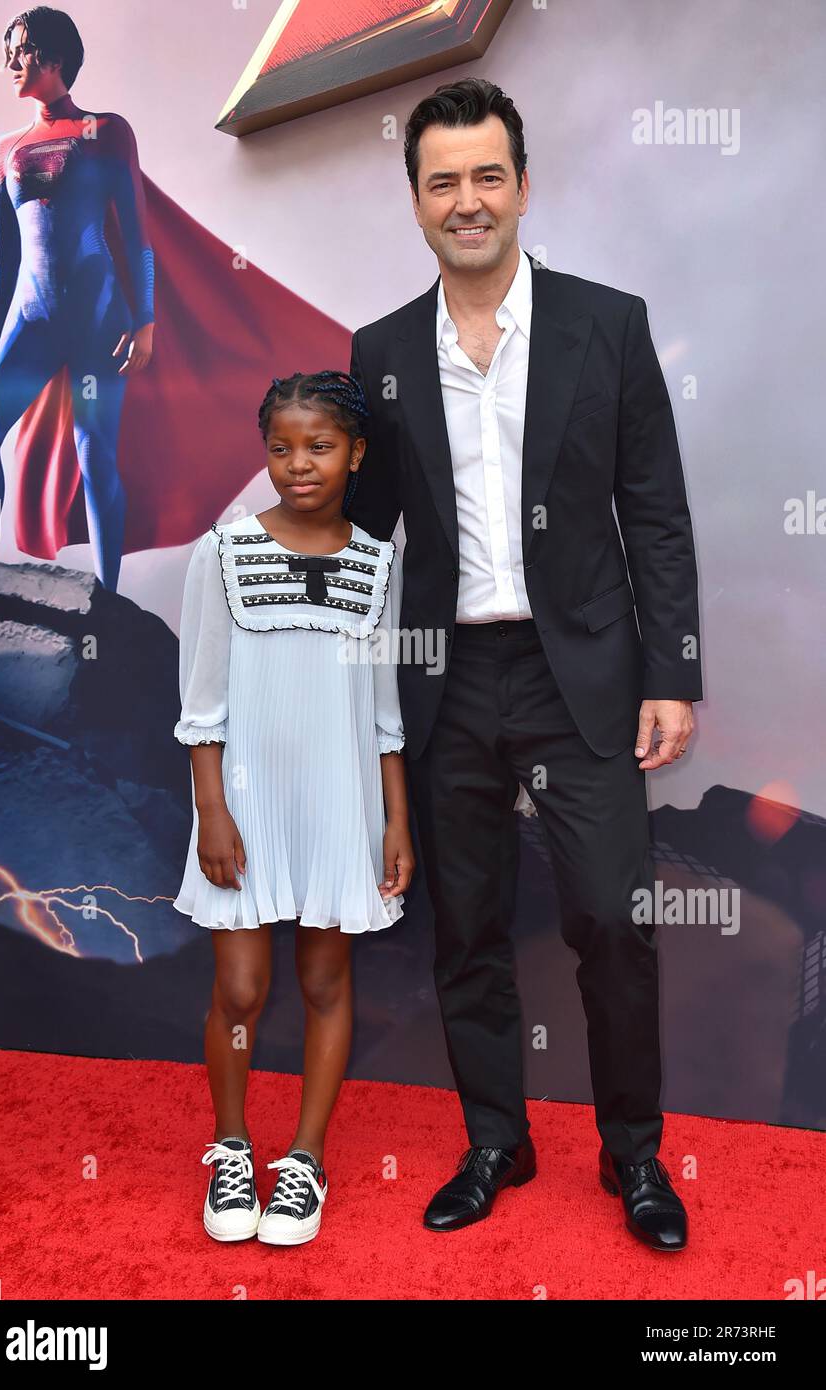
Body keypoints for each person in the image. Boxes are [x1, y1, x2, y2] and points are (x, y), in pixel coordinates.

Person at [346, 78, 702, 1250]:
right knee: (466, 927)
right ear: (415, 201)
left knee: (612, 916)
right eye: (442, 181)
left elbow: (653, 511)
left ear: (522, 185)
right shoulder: (383, 351)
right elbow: (368, 525)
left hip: (584, 674)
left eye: (486, 175)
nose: (467, 200)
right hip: (448, 681)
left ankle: (635, 1156)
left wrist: (674, 672)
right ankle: (498, 1137)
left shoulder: (610, 323)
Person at [172, 369, 414, 1246]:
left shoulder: (377, 564)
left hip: (341, 806)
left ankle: (305, 1160)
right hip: (245, 807)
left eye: (319, 447)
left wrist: (395, 820)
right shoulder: (225, 553)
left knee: (323, 982)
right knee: (240, 988)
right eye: (281, 448)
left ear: (355, 453)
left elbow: (384, 714)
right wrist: (211, 810)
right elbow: (202, 704)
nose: (298, 464)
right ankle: (232, 1146)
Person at [0, 6, 154, 590]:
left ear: (51, 53)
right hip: (32, 319)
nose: (9, 64)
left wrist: (146, 319)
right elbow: (6, 259)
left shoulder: (108, 130)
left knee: (95, 455)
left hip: (102, 323)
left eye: (19, 51)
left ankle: (108, 597)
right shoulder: (4, 150)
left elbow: (139, 234)